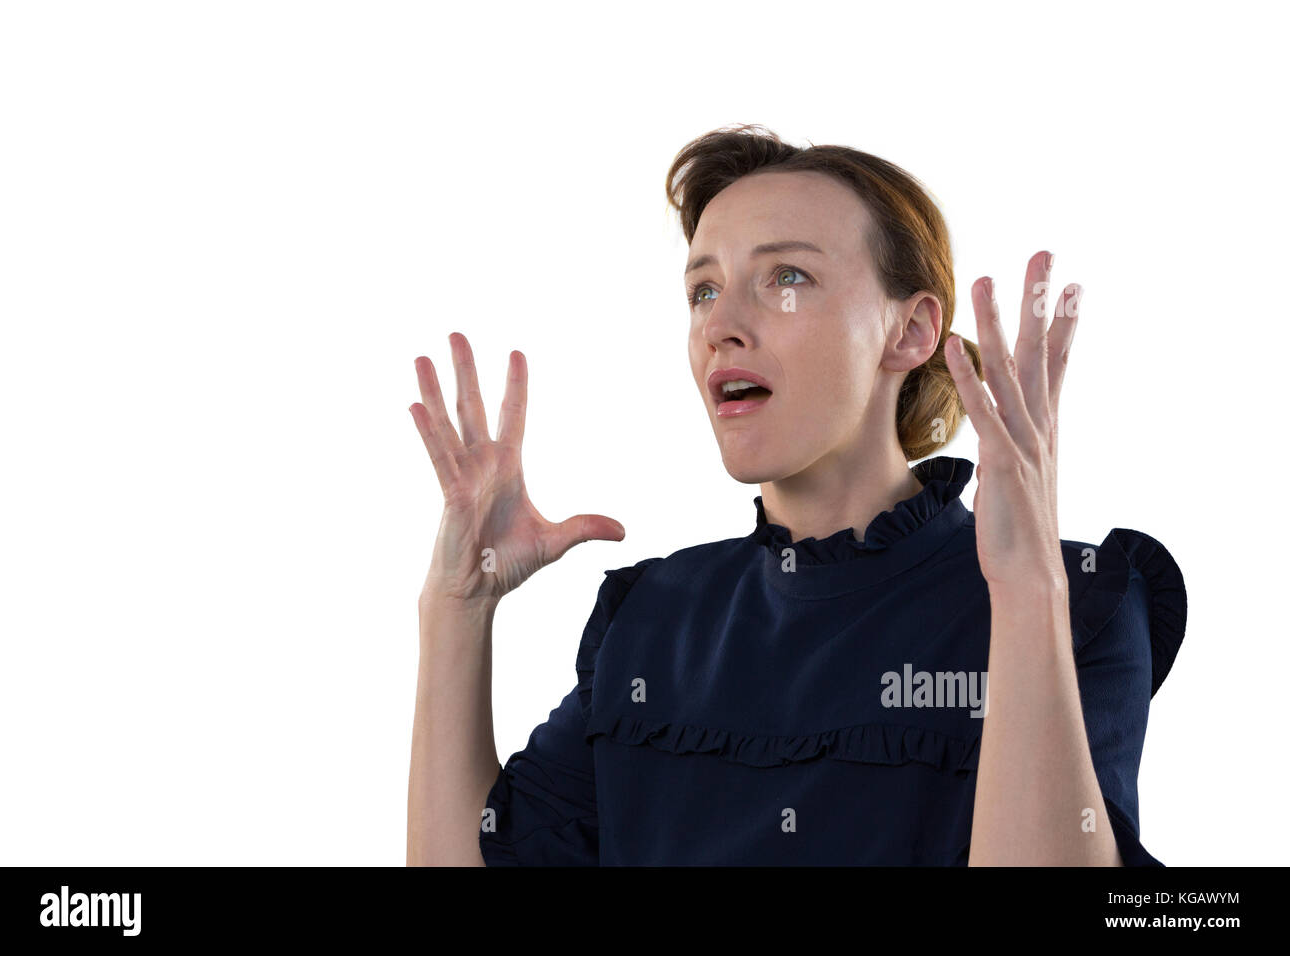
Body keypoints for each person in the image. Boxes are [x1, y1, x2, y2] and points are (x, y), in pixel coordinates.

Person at [405, 124, 1186, 866]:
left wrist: (1025, 592)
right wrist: (456, 606)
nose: (722, 325)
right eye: (703, 290)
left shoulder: (1080, 601)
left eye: (786, 278)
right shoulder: (653, 622)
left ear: (911, 332)